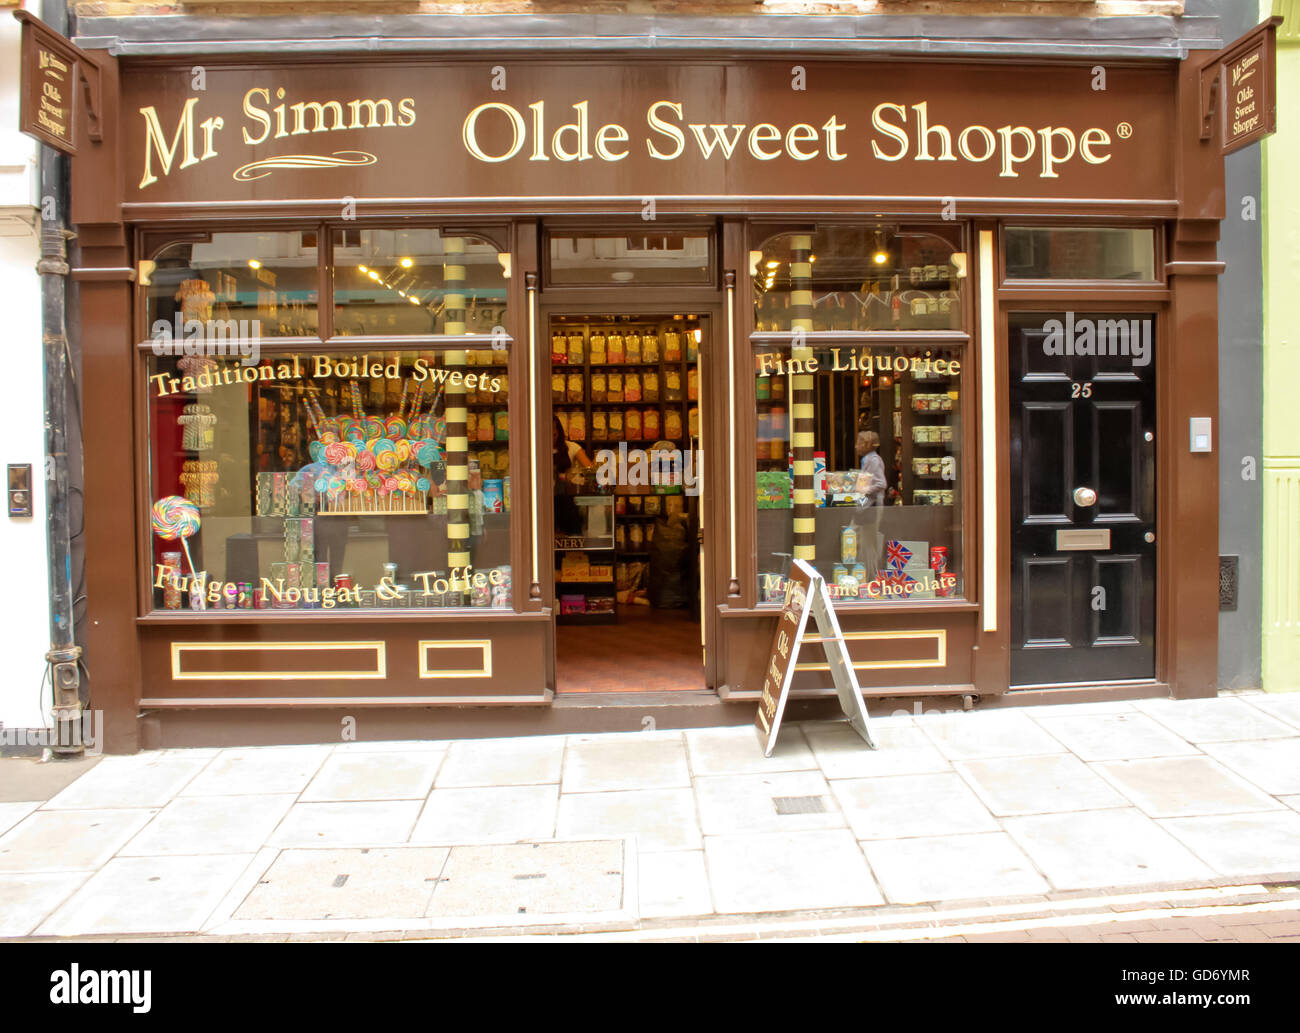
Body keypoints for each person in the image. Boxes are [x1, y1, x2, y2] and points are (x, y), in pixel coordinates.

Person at [553, 416, 592, 535]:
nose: (551, 434)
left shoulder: (571, 447)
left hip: (565, 502)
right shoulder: (534, 448)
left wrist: (575, 477)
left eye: (554, 430)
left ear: (559, 430)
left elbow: (590, 469)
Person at [856, 430, 887, 507]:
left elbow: (881, 483)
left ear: (865, 445)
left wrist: (865, 490)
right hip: (867, 505)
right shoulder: (867, 460)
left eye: (858, 444)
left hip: (873, 505)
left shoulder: (874, 460)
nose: (856, 446)